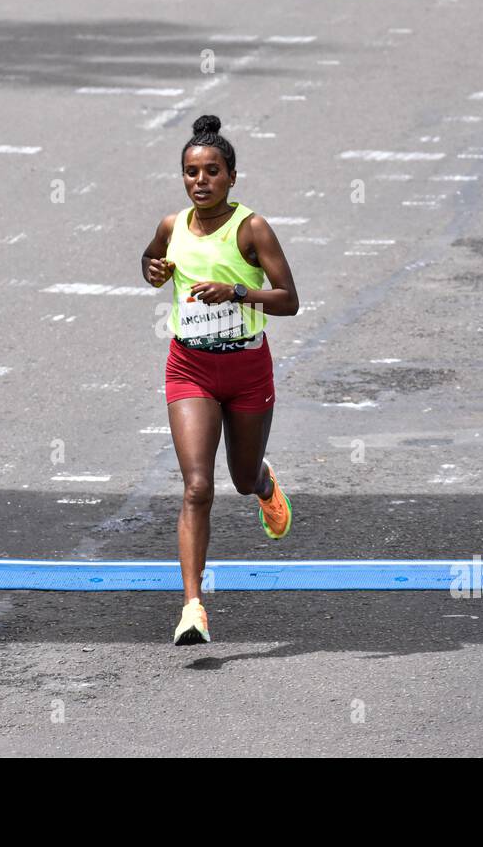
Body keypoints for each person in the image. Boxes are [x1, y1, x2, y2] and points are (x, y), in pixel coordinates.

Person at [139, 114, 300, 645]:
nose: (200, 181)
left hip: (248, 369)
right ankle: (192, 607)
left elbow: (290, 301)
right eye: (191, 172)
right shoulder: (171, 226)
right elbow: (151, 260)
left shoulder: (251, 228)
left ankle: (264, 484)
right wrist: (154, 271)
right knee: (197, 487)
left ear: (232, 177)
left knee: (240, 476)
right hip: (191, 366)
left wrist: (237, 293)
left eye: (212, 171)